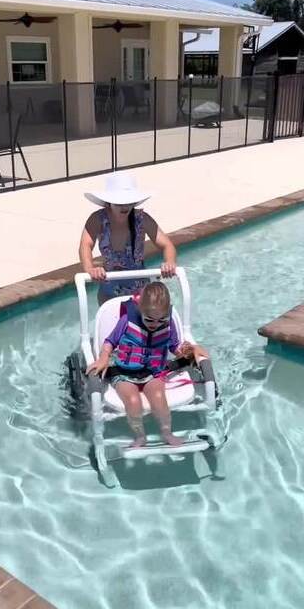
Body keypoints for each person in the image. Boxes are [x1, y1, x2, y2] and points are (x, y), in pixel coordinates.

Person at [86, 282, 209, 449]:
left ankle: (167, 433)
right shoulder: (126, 321)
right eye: (149, 319)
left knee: (159, 397)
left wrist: (190, 349)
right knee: (133, 400)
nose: (155, 324)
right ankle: (140, 436)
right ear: (140, 310)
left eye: (162, 320)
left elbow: (175, 347)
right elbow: (110, 342)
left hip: (153, 373)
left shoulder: (167, 324)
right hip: (123, 373)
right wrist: (103, 358)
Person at [79, 172, 178, 304]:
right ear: (109, 203)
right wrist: (90, 269)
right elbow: (85, 245)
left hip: (140, 290)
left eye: (129, 201)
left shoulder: (142, 219)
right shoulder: (97, 219)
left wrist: (169, 262)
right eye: (120, 202)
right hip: (109, 289)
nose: (125, 206)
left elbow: (167, 245)